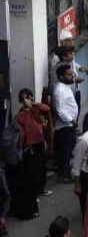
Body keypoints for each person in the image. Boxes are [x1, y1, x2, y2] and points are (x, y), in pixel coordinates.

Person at [9, 88, 49, 220]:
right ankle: (29, 209)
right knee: (28, 179)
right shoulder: (19, 116)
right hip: (27, 152)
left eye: (29, 97)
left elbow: (46, 111)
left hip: (38, 149)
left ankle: (33, 202)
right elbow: (19, 135)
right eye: (24, 98)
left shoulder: (36, 111)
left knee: (36, 176)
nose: (27, 100)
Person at [52, 63, 78, 183]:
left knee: (68, 150)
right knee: (65, 152)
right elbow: (60, 110)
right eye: (69, 75)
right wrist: (71, 120)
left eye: (71, 74)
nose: (71, 77)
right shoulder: (59, 91)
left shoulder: (65, 86)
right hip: (65, 126)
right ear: (61, 77)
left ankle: (65, 171)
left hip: (70, 125)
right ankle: (64, 175)